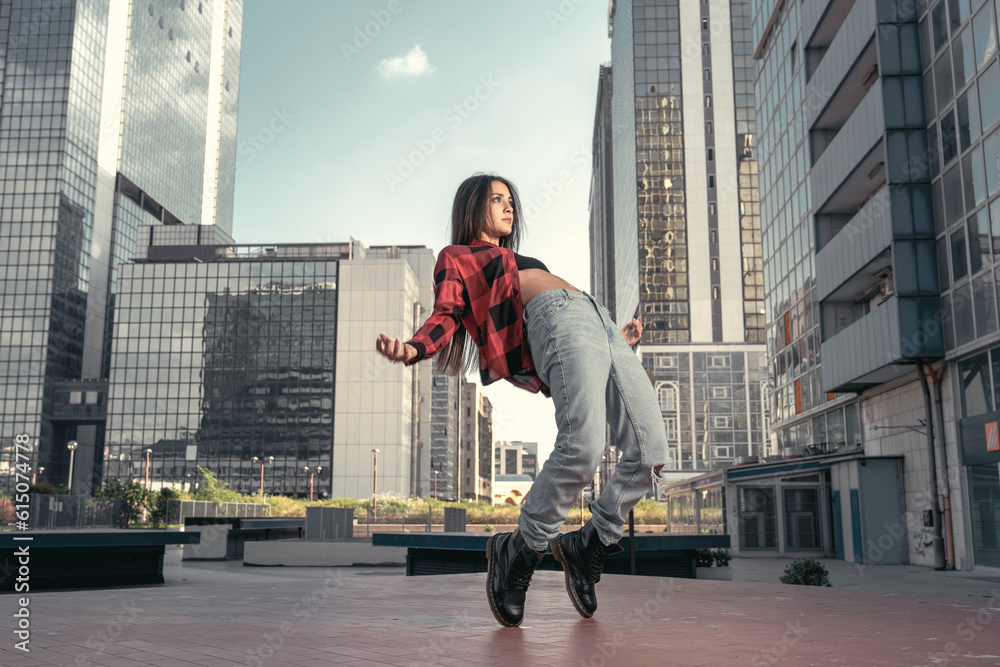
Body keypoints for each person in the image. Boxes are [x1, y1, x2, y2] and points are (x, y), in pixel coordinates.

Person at [376, 173, 669, 627]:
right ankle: (521, 549)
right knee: (584, 445)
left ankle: (589, 542)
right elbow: (447, 313)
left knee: (651, 452)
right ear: (473, 208)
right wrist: (414, 348)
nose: (509, 207)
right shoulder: (457, 257)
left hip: (599, 321)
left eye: (511, 200)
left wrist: (615, 341)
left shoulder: (515, 257)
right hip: (558, 319)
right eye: (497, 200)